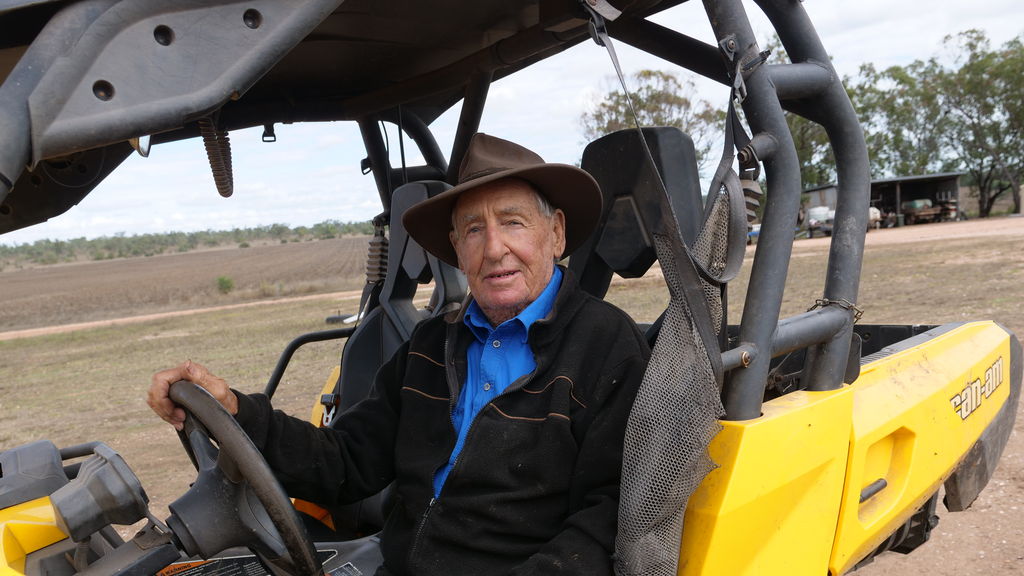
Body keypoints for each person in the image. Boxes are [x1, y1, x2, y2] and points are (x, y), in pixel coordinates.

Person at [149, 133, 650, 575]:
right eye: (474, 229)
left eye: (513, 222)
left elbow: (604, 523)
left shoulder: (606, 348)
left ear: (556, 232)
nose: (494, 248)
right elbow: (345, 462)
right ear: (456, 247)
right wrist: (235, 410)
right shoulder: (432, 346)